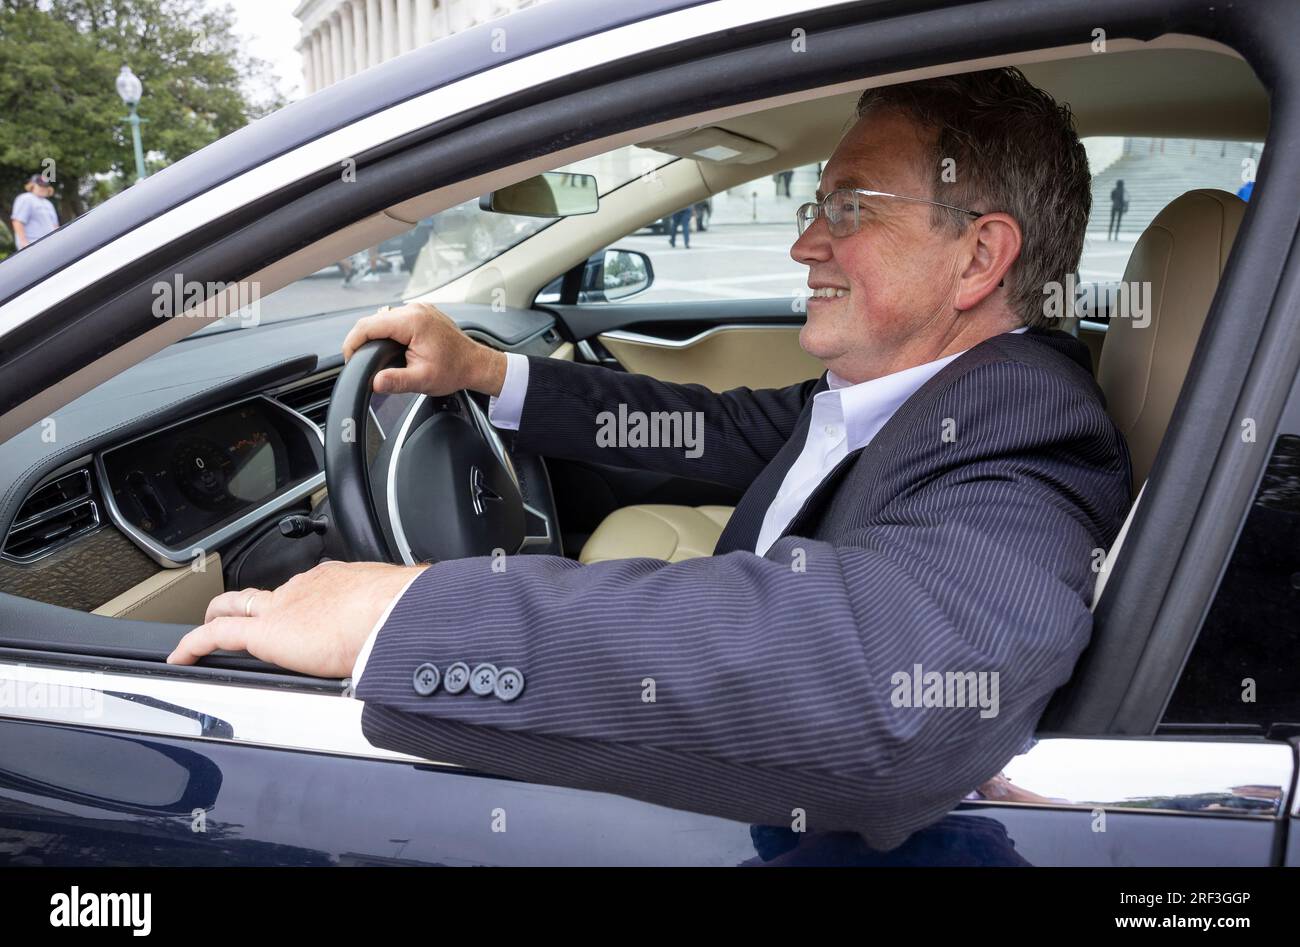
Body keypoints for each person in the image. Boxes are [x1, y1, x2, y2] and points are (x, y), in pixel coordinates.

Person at [168, 67, 1132, 850]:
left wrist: (400, 610)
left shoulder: (1026, 421)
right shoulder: (912, 391)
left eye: (849, 209)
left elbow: (888, 691)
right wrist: (488, 371)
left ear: (978, 257)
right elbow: (710, 428)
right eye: (816, 205)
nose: (805, 243)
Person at [10, 174, 59, 250]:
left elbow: (55, 225)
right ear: (32, 185)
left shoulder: (48, 203)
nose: (43, 188)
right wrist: (24, 243)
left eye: (45, 186)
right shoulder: (26, 198)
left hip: (50, 246)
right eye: (40, 185)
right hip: (33, 246)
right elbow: (18, 221)